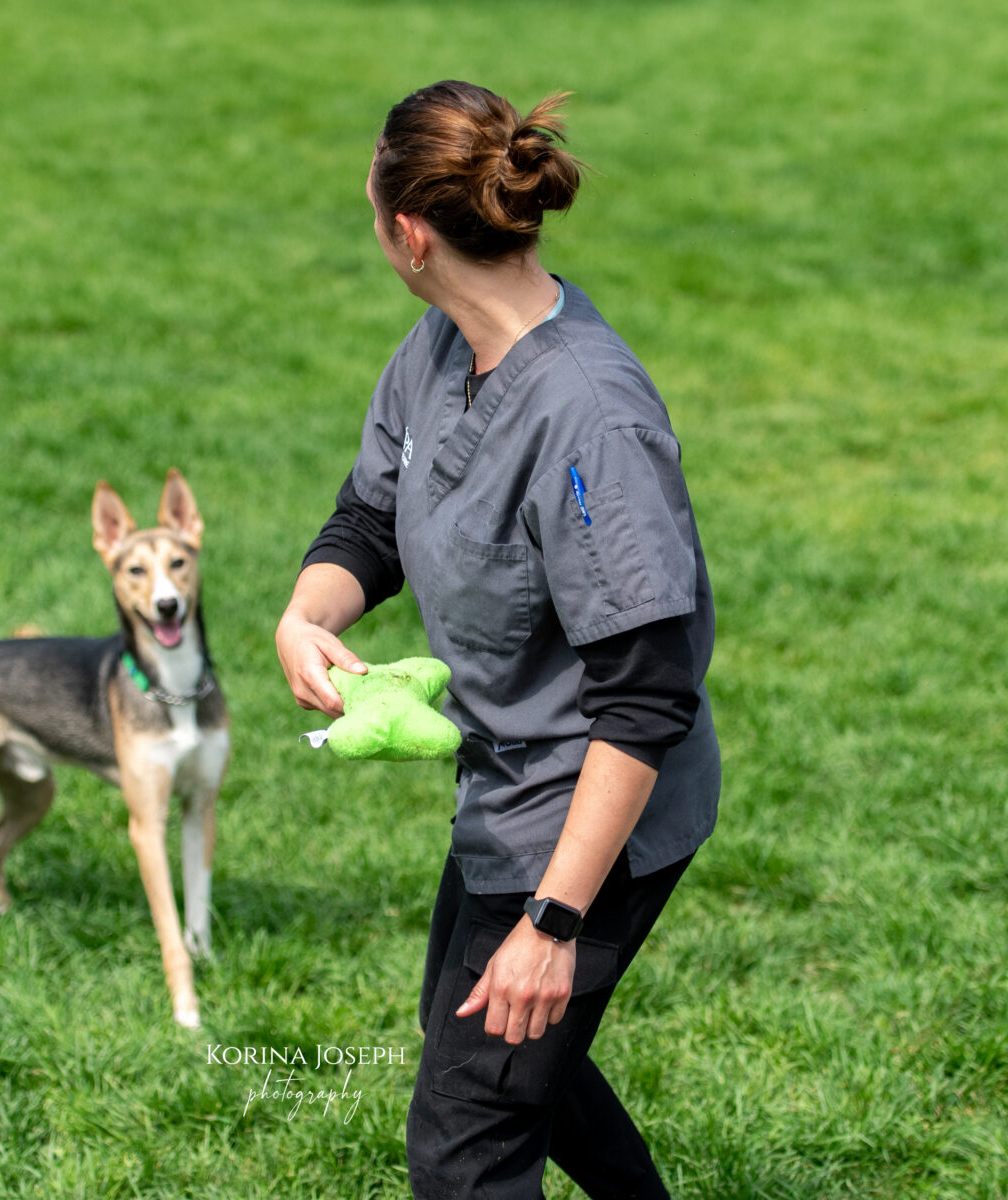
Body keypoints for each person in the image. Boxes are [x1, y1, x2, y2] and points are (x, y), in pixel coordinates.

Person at [275, 80, 719, 1199]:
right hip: (511, 782)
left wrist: (553, 922)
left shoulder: (588, 416)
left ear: (408, 233)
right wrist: (308, 611)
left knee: (468, 1137)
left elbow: (646, 695)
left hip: (596, 816)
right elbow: (372, 514)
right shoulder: (438, 348)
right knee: (505, 1052)